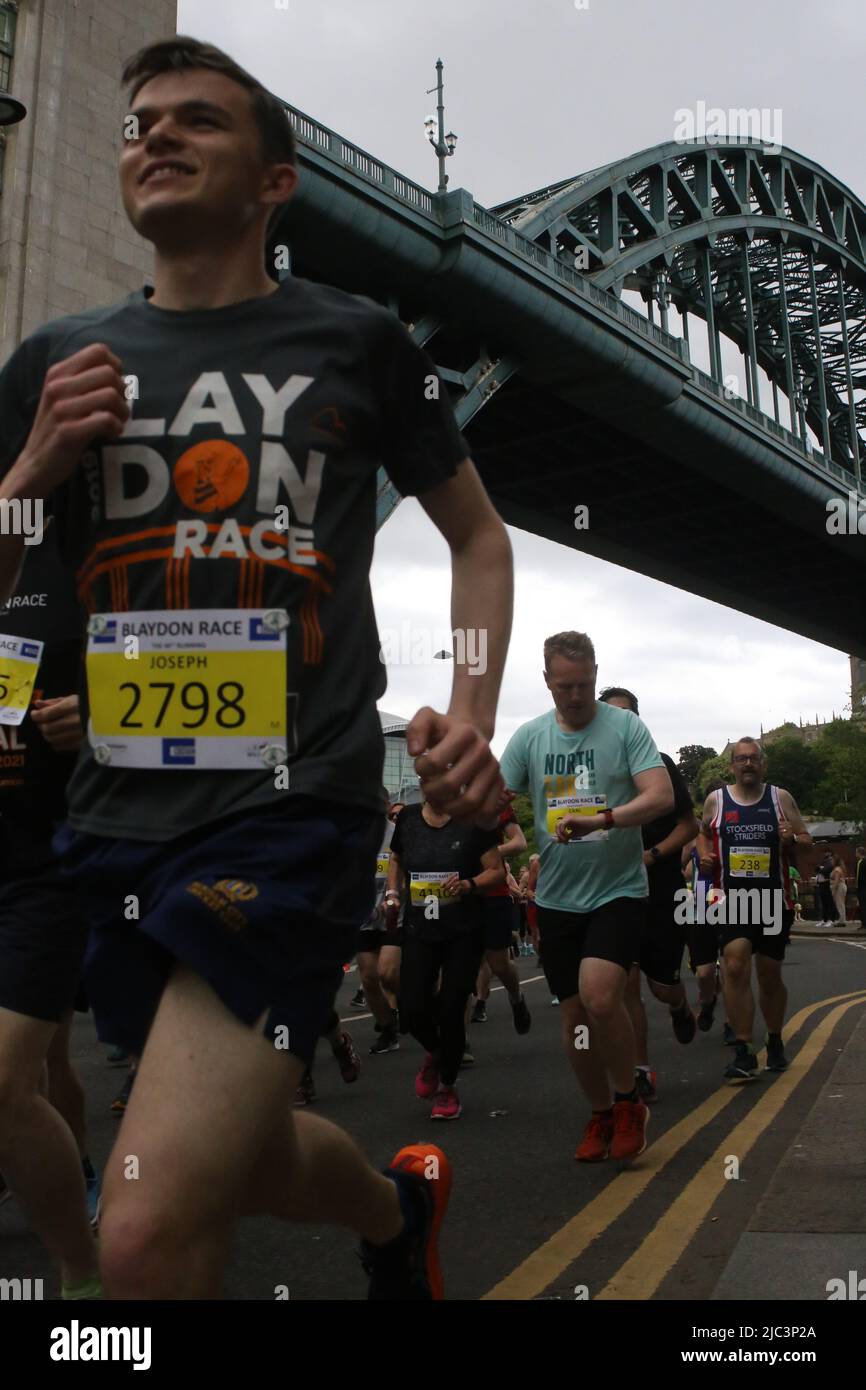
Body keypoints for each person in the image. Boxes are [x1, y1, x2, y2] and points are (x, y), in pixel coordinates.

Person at [0, 36, 513, 1299]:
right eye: (136, 126)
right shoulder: (55, 363)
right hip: (112, 819)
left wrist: (465, 711)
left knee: (142, 1224)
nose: (154, 138)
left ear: (275, 181)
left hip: (293, 807)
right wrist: (25, 477)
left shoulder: (358, 342)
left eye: (196, 122)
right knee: (223, 1149)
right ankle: (393, 1214)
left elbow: (477, 536)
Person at [499, 632, 674, 1162]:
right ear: (546, 680)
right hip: (556, 899)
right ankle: (599, 1112)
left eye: (584, 684)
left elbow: (660, 796)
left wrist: (603, 819)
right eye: (564, 686)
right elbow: (493, 802)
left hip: (618, 890)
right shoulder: (529, 738)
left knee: (601, 995)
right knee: (575, 1018)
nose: (575, 696)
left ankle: (628, 1101)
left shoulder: (625, 728)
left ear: (596, 674)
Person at [0, 520, 101, 1298]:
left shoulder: (82, 556)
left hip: (50, 860)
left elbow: (197, 676)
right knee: (32, 1073)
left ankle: (81, 1270)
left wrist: (100, 720)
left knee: (20, 1074)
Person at [599, 688, 699, 1104]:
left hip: (660, 888)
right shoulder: (593, 769)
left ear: (637, 722)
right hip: (614, 891)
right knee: (627, 982)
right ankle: (640, 1070)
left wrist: (653, 855)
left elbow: (689, 826)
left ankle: (679, 1006)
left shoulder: (660, 766)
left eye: (627, 716)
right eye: (610, 715)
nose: (618, 723)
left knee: (661, 986)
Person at [697, 738, 812, 1081]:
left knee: (769, 973)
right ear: (732, 765)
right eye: (741, 759)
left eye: (753, 759)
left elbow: (806, 841)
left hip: (772, 898)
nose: (747, 764)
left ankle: (774, 1040)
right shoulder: (717, 800)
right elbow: (703, 832)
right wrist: (704, 853)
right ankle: (745, 1050)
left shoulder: (781, 798)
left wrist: (792, 838)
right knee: (733, 964)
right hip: (728, 899)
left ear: (763, 765)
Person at [388, 798, 504, 1119]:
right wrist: (393, 893)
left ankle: (447, 1087)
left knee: (452, 1008)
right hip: (419, 927)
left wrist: (469, 884)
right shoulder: (409, 818)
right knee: (411, 1007)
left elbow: (496, 871)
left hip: (462, 931)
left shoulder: (473, 819)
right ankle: (437, 1053)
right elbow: (396, 859)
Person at [471, 807, 531, 1033]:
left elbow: (520, 842)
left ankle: (516, 997)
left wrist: (489, 853)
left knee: (498, 963)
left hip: (493, 896)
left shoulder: (495, 801)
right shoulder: (445, 801)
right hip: (458, 895)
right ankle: (458, 1043)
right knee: (462, 966)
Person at [814, 851, 835, 926]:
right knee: (824, 903)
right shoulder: (824, 861)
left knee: (829, 902)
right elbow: (816, 868)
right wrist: (820, 868)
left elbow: (826, 870)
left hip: (826, 884)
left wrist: (820, 868)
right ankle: (824, 919)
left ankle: (831, 919)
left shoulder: (831, 861)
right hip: (821, 884)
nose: (825, 854)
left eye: (828, 852)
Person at [829, 856, 847, 926]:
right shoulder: (840, 868)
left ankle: (842, 921)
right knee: (840, 904)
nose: (831, 862)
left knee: (840, 904)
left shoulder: (837, 869)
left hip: (839, 887)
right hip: (841, 886)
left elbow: (836, 880)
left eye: (832, 860)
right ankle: (841, 920)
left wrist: (833, 889)